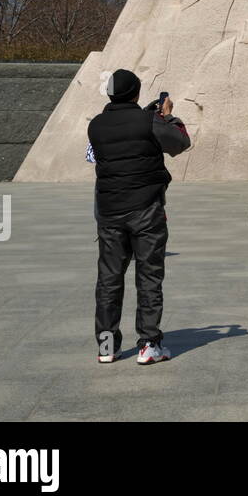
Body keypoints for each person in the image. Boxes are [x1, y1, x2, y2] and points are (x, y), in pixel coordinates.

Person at [88, 68, 191, 365]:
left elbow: (120, 139)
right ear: (135, 92)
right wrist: (166, 116)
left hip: (109, 213)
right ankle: (148, 344)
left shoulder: (95, 125)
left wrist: (150, 117)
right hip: (145, 210)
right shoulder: (150, 121)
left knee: (108, 280)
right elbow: (180, 143)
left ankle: (107, 345)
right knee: (148, 277)